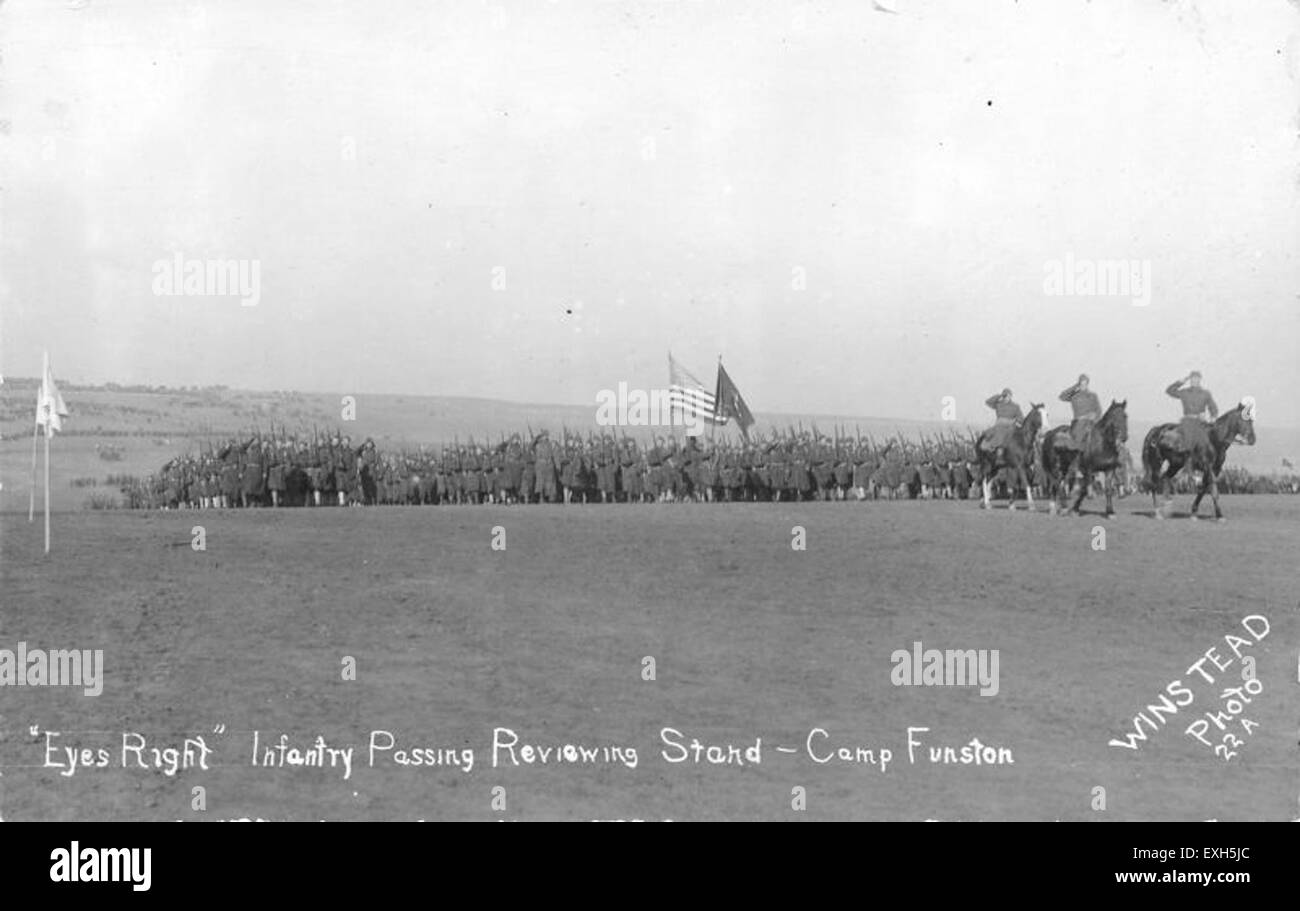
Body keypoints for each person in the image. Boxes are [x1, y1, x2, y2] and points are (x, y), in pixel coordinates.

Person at [1165, 371, 1218, 455]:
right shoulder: (1184, 392)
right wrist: (1180, 382)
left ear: (1200, 379)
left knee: (1211, 440)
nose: (1194, 381)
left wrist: (1213, 416)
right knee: (1187, 442)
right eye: (1192, 378)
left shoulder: (1205, 393)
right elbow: (1169, 391)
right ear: (1190, 380)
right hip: (1187, 421)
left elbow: (1213, 407)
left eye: (1196, 378)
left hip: (1201, 422)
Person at [1058, 373, 1101, 449]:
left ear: (1087, 384)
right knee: (1078, 442)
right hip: (1079, 422)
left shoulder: (1093, 395)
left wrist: (1095, 417)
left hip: (1091, 422)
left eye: (1085, 384)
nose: (1083, 386)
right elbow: (1062, 397)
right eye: (1081, 384)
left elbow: (1098, 410)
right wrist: (1074, 387)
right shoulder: (1074, 396)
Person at [979, 388, 1023, 453]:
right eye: (1004, 396)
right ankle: (993, 447)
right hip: (999, 425)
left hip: (1011, 426)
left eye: (1007, 396)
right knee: (994, 434)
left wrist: (1016, 420)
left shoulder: (1015, 406)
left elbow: (1021, 417)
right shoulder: (999, 404)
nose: (1005, 398)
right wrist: (998, 396)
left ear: (1010, 396)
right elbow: (988, 402)